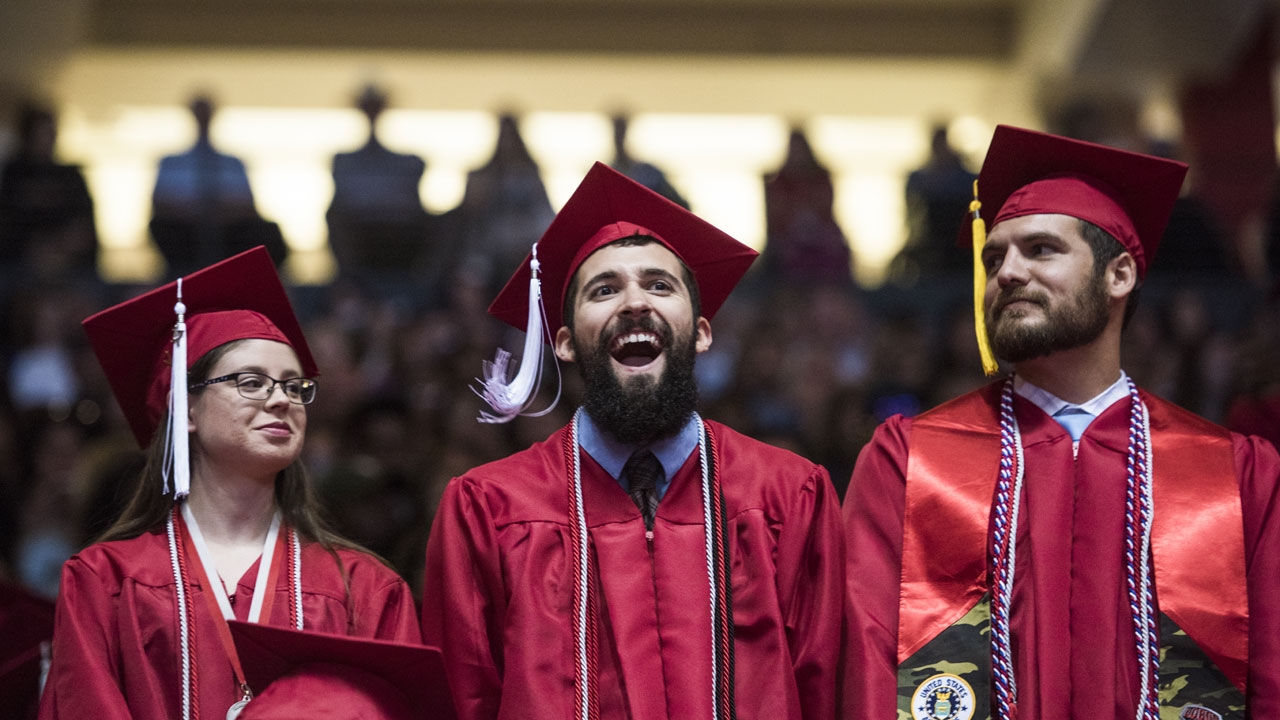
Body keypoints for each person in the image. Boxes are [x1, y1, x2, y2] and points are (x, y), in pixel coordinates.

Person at [842, 125, 1280, 719]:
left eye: (1041, 249)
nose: (1007, 274)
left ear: (1119, 275)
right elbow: (867, 672)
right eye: (993, 257)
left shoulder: (1231, 472)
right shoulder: (910, 460)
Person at [422, 162, 844, 720]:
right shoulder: (490, 509)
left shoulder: (790, 496)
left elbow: (828, 695)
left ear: (700, 331)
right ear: (566, 343)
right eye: (604, 289)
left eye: (659, 284)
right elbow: (460, 702)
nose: (634, 302)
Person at [38, 247, 422, 719]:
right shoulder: (106, 582)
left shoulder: (365, 589)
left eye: (293, 385)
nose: (281, 400)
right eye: (252, 382)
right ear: (188, 408)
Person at [150, 95, 287, 276]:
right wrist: (195, 213)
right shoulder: (171, 162)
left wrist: (217, 214)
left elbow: (247, 205)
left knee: (267, 233)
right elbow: (160, 204)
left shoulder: (233, 163)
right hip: (183, 231)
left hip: (231, 230)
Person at [326, 83, 436, 295]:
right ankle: (350, 283)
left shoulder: (410, 162)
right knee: (333, 215)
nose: (371, 113)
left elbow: (415, 206)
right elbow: (340, 204)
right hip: (360, 238)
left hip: (403, 237)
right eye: (367, 107)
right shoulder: (343, 161)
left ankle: (426, 286)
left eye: (375, 106)